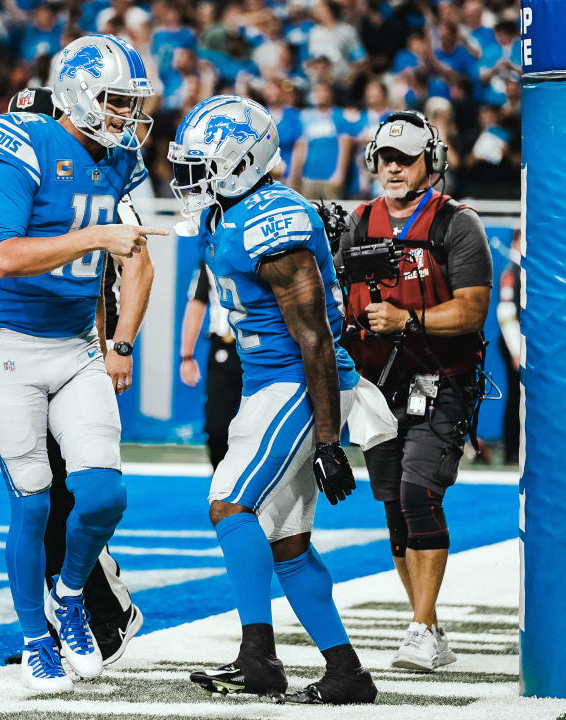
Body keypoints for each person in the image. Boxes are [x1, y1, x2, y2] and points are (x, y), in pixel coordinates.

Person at [0, 36, 161, 692]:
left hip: (78, 344)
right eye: (115, 101)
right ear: (78, 93)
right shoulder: (24, 141)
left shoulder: (117, 161)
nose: (125, 116)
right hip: (17, 351)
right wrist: (93, 237)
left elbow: (137, 260)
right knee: (32, 505)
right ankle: (36, 640)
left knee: (104, 494)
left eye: (129, 104)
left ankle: (71, 597)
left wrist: (121, 342)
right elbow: (5, 257)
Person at [169, 95, 378, 705]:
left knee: (230, 504)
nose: (189, 179)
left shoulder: (271, 219)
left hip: (297, 380)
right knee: (285, 542)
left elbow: (314, 335)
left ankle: (257, 656)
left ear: (241, 162)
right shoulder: (227, 211)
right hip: (267, 382)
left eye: (201, 165)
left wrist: (330, 439)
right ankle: (346, 672)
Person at [339, 110, 492, 671]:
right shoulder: (357, 224)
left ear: (432, 161)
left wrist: (407, 321)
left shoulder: (458, 224)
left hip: (440, 380)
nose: (394, 168)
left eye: (406, 158)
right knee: (394, 510)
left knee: (417, 493)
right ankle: (425, 625)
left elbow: (473, 310)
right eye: (386, 158)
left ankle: (423, 626)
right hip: (377, 387)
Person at [178, 263, 241, 469]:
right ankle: (222, 487)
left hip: (262, 348)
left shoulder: (264, 247)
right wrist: (186, 356)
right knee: (217, 429)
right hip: (224, 348)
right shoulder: (210, 257)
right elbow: (197, 302)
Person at [496, 228, 522, 466]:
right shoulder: (512, 272)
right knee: (515, 396)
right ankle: (511, 450)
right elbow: (505, 312)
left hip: (517, 344)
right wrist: (516, 350)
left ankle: (515, 449)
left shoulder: (519, 270)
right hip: (512, 344)